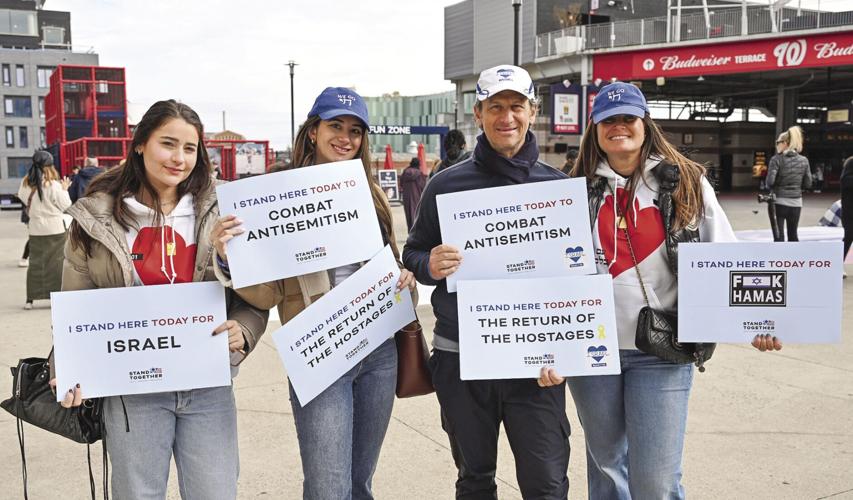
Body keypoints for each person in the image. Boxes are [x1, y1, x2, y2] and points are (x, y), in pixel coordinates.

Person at [537, 81, 782, 500]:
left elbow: (725, 255)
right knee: (607, 468)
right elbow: (547, 273)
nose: (618, 126)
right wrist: (546, 347)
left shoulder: (686, 182)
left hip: (662, 348)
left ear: (645, 124)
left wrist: (757, 319)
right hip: (592, 352)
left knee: (655, 480)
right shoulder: (573, 189)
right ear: (595, 129)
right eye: (608, 120)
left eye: (628, 118)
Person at [54, 99, 269, 499]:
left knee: (215, 493)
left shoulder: (225, 211)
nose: (179, 158)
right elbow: (76, 306)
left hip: (207, 384)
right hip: (132, 389)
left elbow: (257, 296)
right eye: (168, 144)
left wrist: (245, 328)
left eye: (190, 148)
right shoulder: (95, 218)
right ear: (140, 144)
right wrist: (67, 366)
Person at [210, 87, 416, 500]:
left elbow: (391, 264)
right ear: (313, 132)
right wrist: (229, 259)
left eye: (355, 130)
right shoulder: (276, 196)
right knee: (328, 489)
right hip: (321, 350)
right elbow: (265, 296)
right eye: (335, 126)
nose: (345, 137)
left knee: (360, 484)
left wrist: (403, 278)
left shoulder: (372, 194)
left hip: (379, 350)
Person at [403, 65, 571, 499]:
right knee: (475, 480)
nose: (506, 117)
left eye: (516, 106)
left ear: (533, 111)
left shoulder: (557, 188)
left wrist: (569, 350)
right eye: (495, 107)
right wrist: (430, 264)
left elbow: (577, 278)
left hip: (536, 364)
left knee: (547, 484)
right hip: (462, 359)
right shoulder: (445, 185)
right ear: (478, 114)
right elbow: (413, 253)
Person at [17, 150, 71, 309]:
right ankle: (57, 297)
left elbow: (22, 197)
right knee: (57, 264)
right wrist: (65, 189)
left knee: (36, 264)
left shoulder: (25, 183)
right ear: (50, 166)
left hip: (35, 229)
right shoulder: (54, 185)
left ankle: (30, 299)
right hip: (55, 229)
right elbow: (66, 205)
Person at [766, 125, 812, 241]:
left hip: (779, 202)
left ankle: (779, 254)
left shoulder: (776, 159)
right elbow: (808, 184)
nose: (776, 145)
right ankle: (794, 253)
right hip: (796, 203)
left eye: (778, 142)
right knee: (793, 235)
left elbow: (770, 182)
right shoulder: (804, 160)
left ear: (785, 143)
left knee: (779, 236)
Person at [400, 157, 426, 230]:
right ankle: (416, 231)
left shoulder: (405, 172)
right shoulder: (419, 174)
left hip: (406, 197)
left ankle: (410, 230)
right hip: (417, 197)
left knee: (408, 215)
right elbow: (423, 186)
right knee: (416, 214)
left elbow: (401, 184)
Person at [841, 155, 853, 263]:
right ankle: (840, 261)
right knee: (848, 238)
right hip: (849, 213)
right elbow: (847, 181)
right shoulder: (847, 180)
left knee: (848, 238)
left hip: (848, 212)